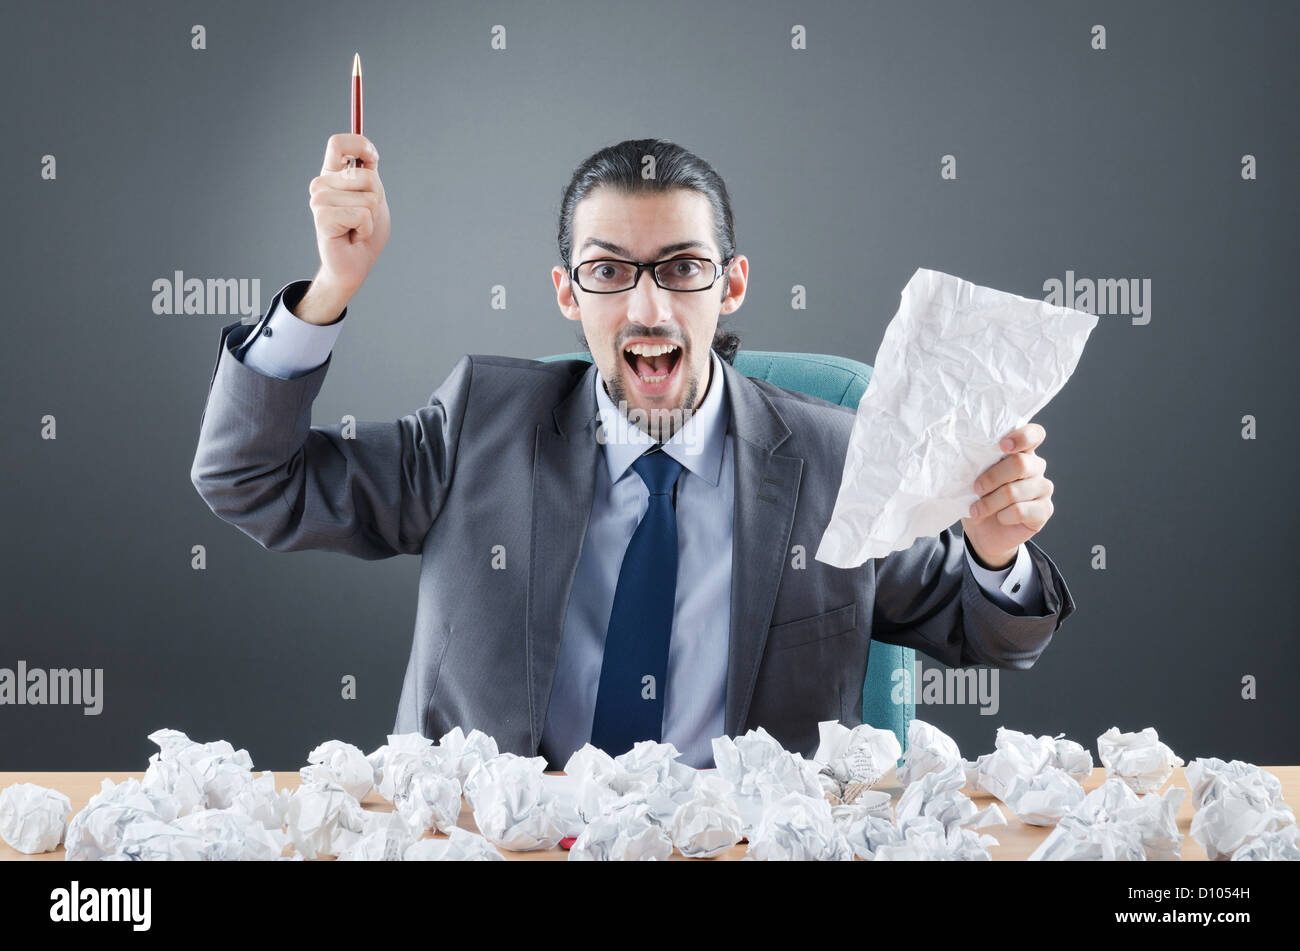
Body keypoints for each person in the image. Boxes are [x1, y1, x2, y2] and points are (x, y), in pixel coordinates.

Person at [191, 135, 1075, 769]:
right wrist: (331, 289)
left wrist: (995, 549)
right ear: (568, 295)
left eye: (682, 267)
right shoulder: (481, 425)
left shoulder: (833, 457)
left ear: (730, 284)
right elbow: (252, 479)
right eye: (610, 271)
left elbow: (980, 625)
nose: (648, 309)